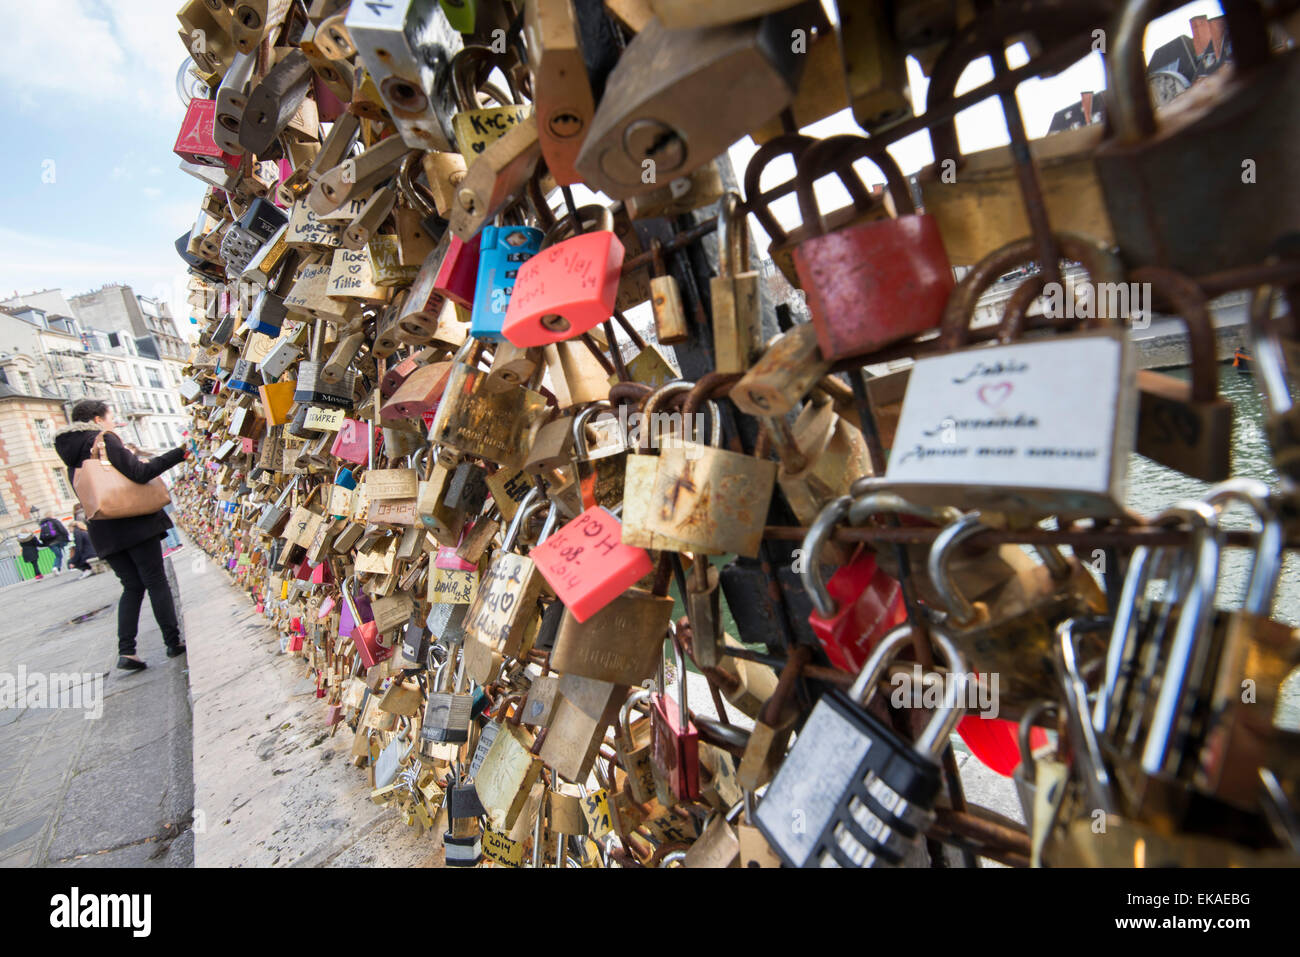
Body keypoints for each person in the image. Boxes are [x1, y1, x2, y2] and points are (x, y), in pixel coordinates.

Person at [54, 400, 192, 672]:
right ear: (96, 420)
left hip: (102, 530)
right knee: (155, 580)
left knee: (131, 586)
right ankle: (172, 641)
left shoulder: (69, 454)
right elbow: (140, 474)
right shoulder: (103, 441)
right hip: (132, 524)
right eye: (109, 417)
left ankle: (127, 651)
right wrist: (179, 454)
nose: (112, 423)